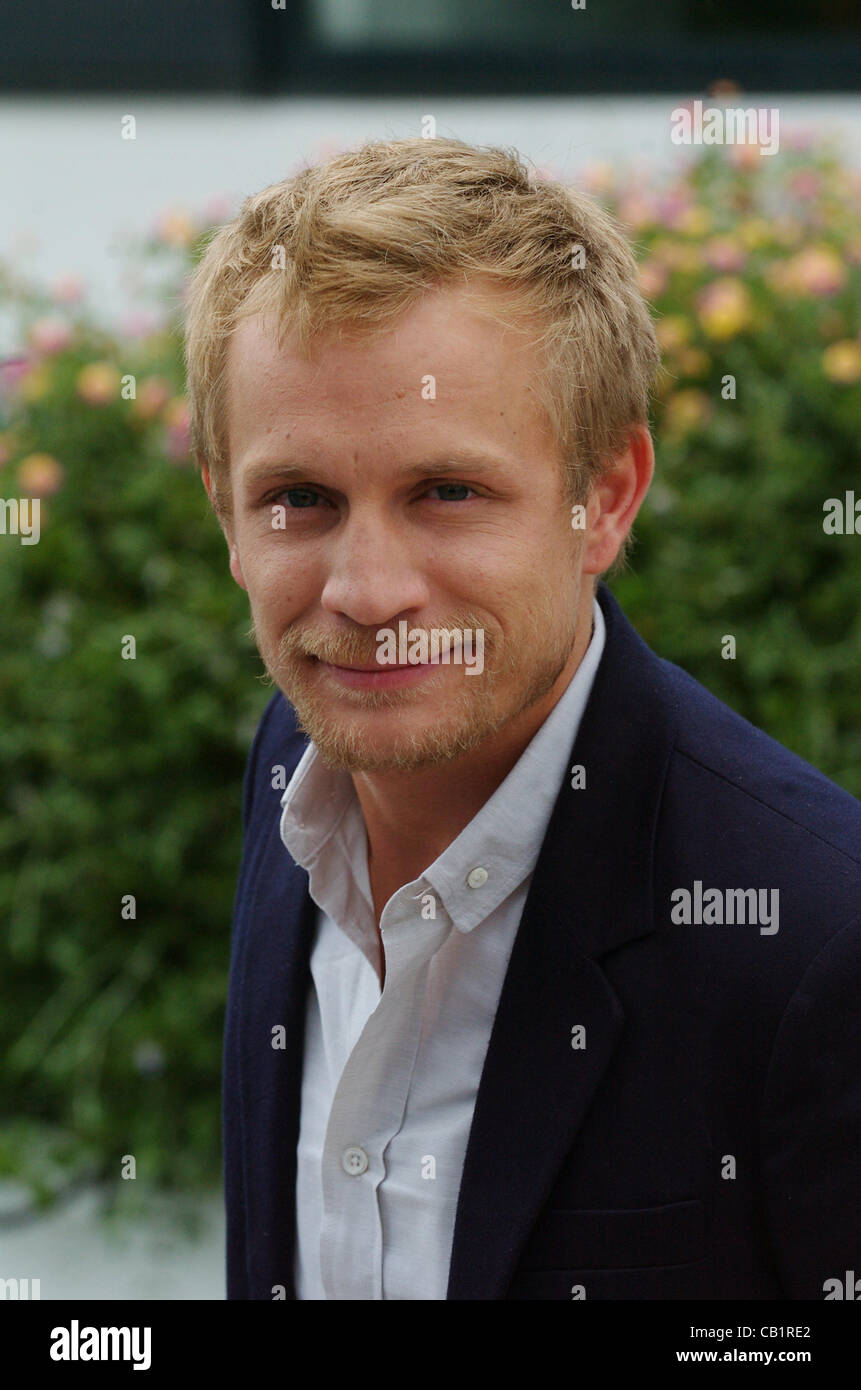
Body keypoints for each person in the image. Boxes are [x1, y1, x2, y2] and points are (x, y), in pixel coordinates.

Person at [182, 136, 861, 1300]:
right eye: (301, 498)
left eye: (447, 491)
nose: (366, 592)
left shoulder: (816, 943)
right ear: (227, 515)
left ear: (605, 500)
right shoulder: (292, 770)